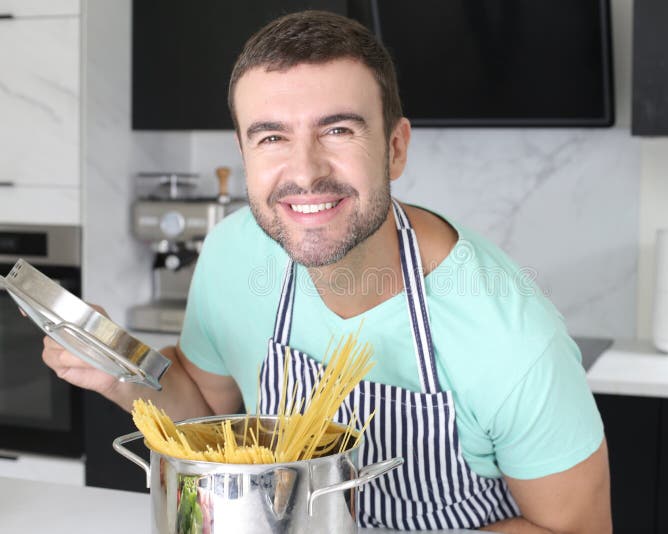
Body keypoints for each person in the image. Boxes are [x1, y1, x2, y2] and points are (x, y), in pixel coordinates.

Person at [43, 10, 611, 533]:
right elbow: (211, 415)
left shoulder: (510, 336)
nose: (305, 171)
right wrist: (120, 369)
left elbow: (578, 529)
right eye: (271, 137)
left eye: (338, 130)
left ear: (394, 148)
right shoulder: (233, 253)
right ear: (243, 154)